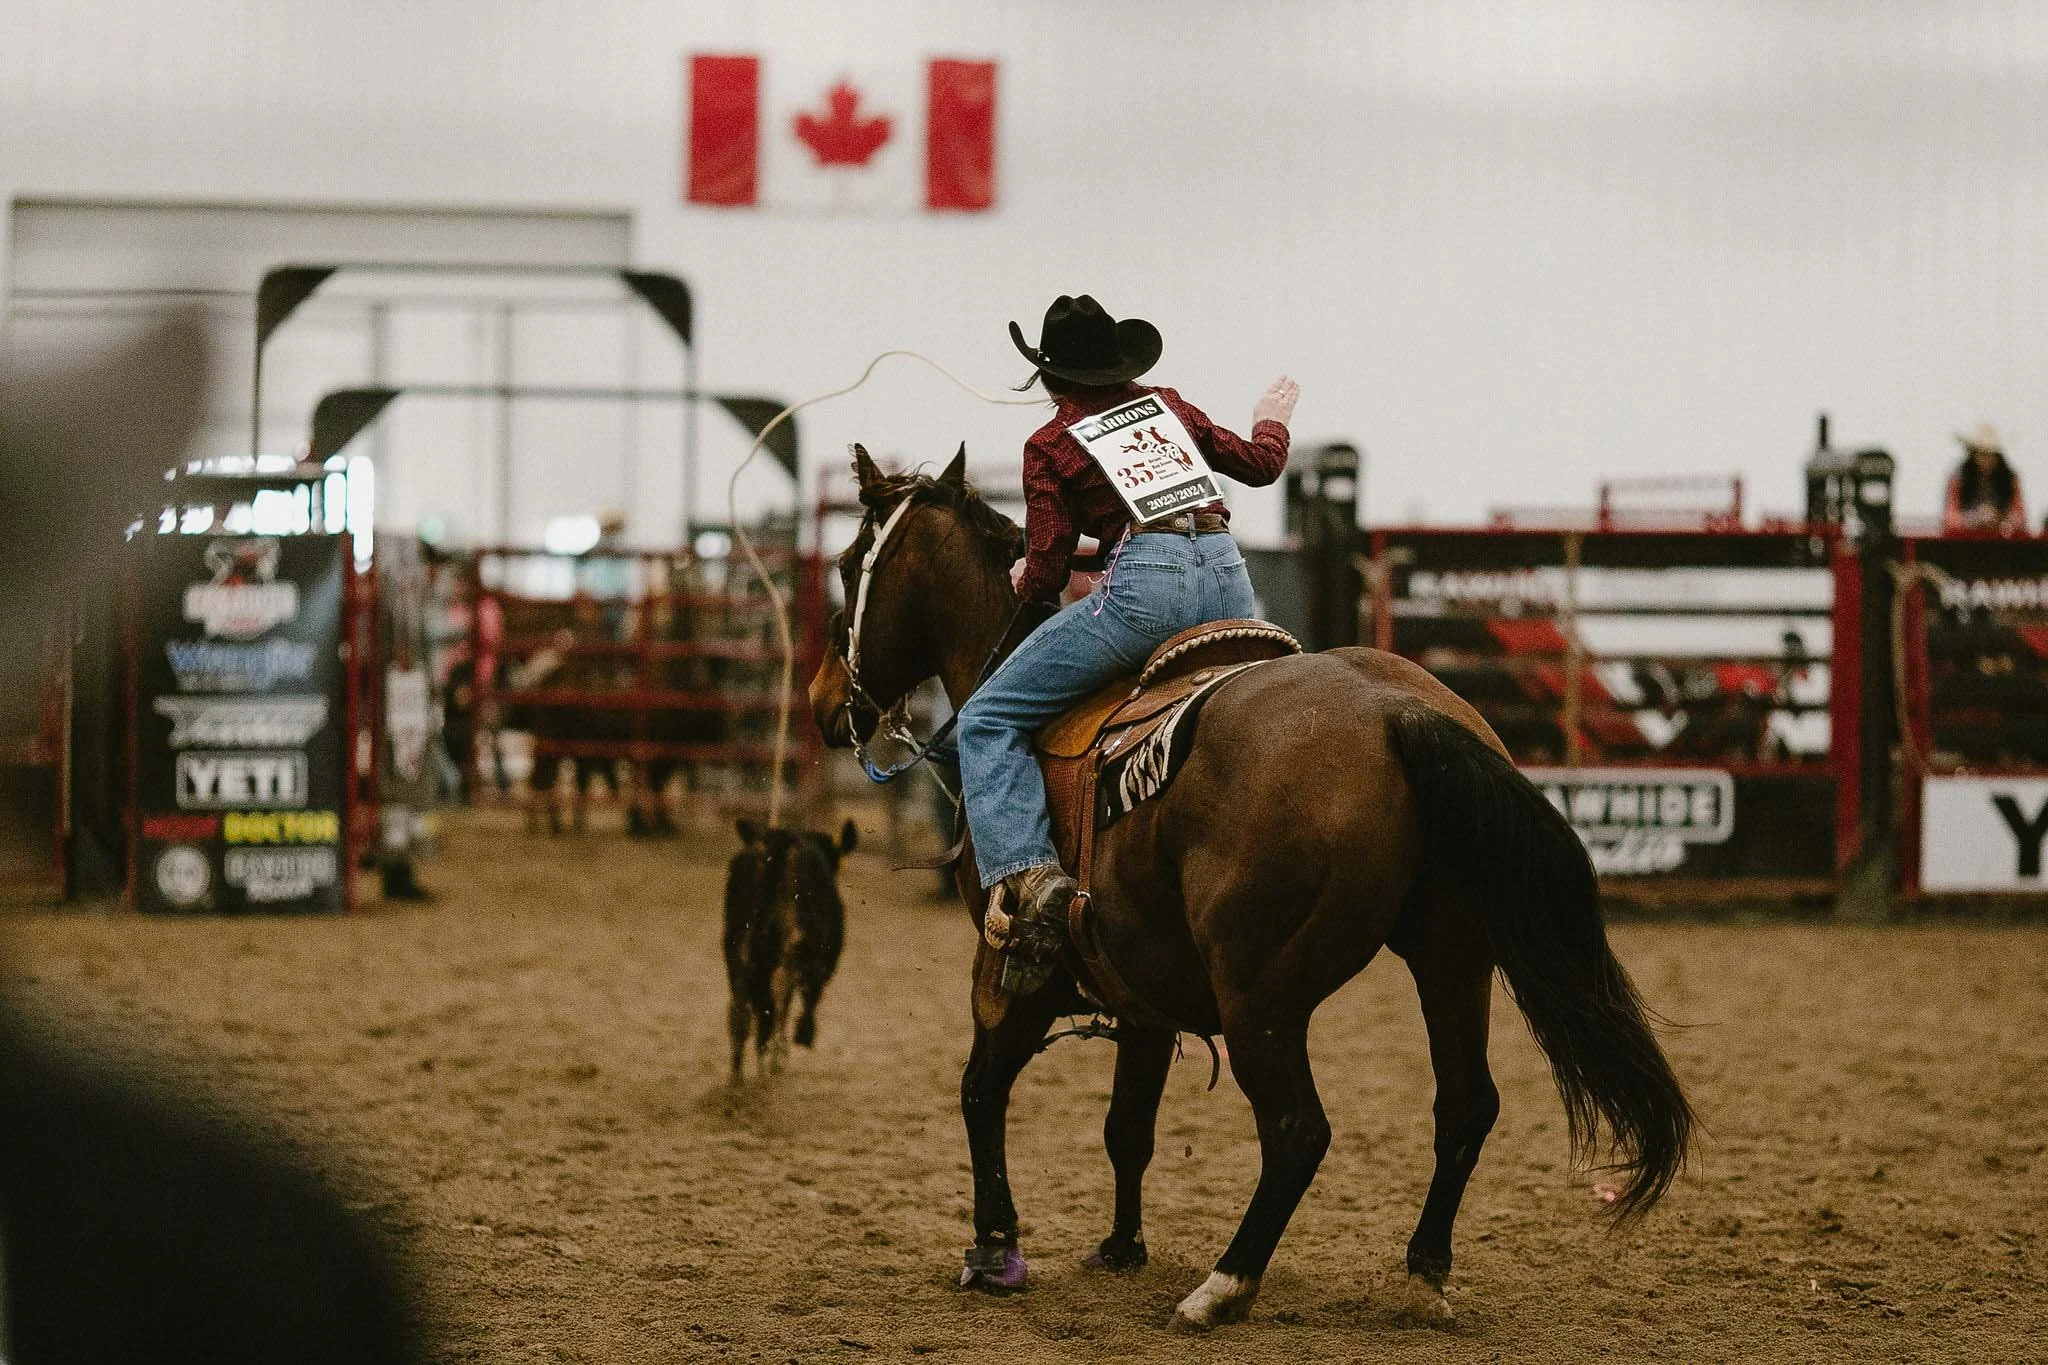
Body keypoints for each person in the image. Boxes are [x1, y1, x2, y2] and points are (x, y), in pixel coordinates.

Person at [956, 294, 1298, 989]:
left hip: (1146, 585)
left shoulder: (1050, 445)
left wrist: (1028, 574)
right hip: (1231, 580)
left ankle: (1030, 874)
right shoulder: (1167, 405)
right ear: (1119, 363)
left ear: (1049, 378)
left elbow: (1047, 571)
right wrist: (1272, 418)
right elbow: (1261, 465)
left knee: (986, 718)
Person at [1943, 423, 2027, 535]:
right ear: (1973, 454)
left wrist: (2000, 520)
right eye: (1982, 454)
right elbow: (1950, 519)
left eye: (1991, 454)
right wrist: (1974, 519)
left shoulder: (2010, 479)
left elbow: (2020, 518)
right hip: (1966, 543)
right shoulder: (1959, 478)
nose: (1986, 459)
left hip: (2002, 544)